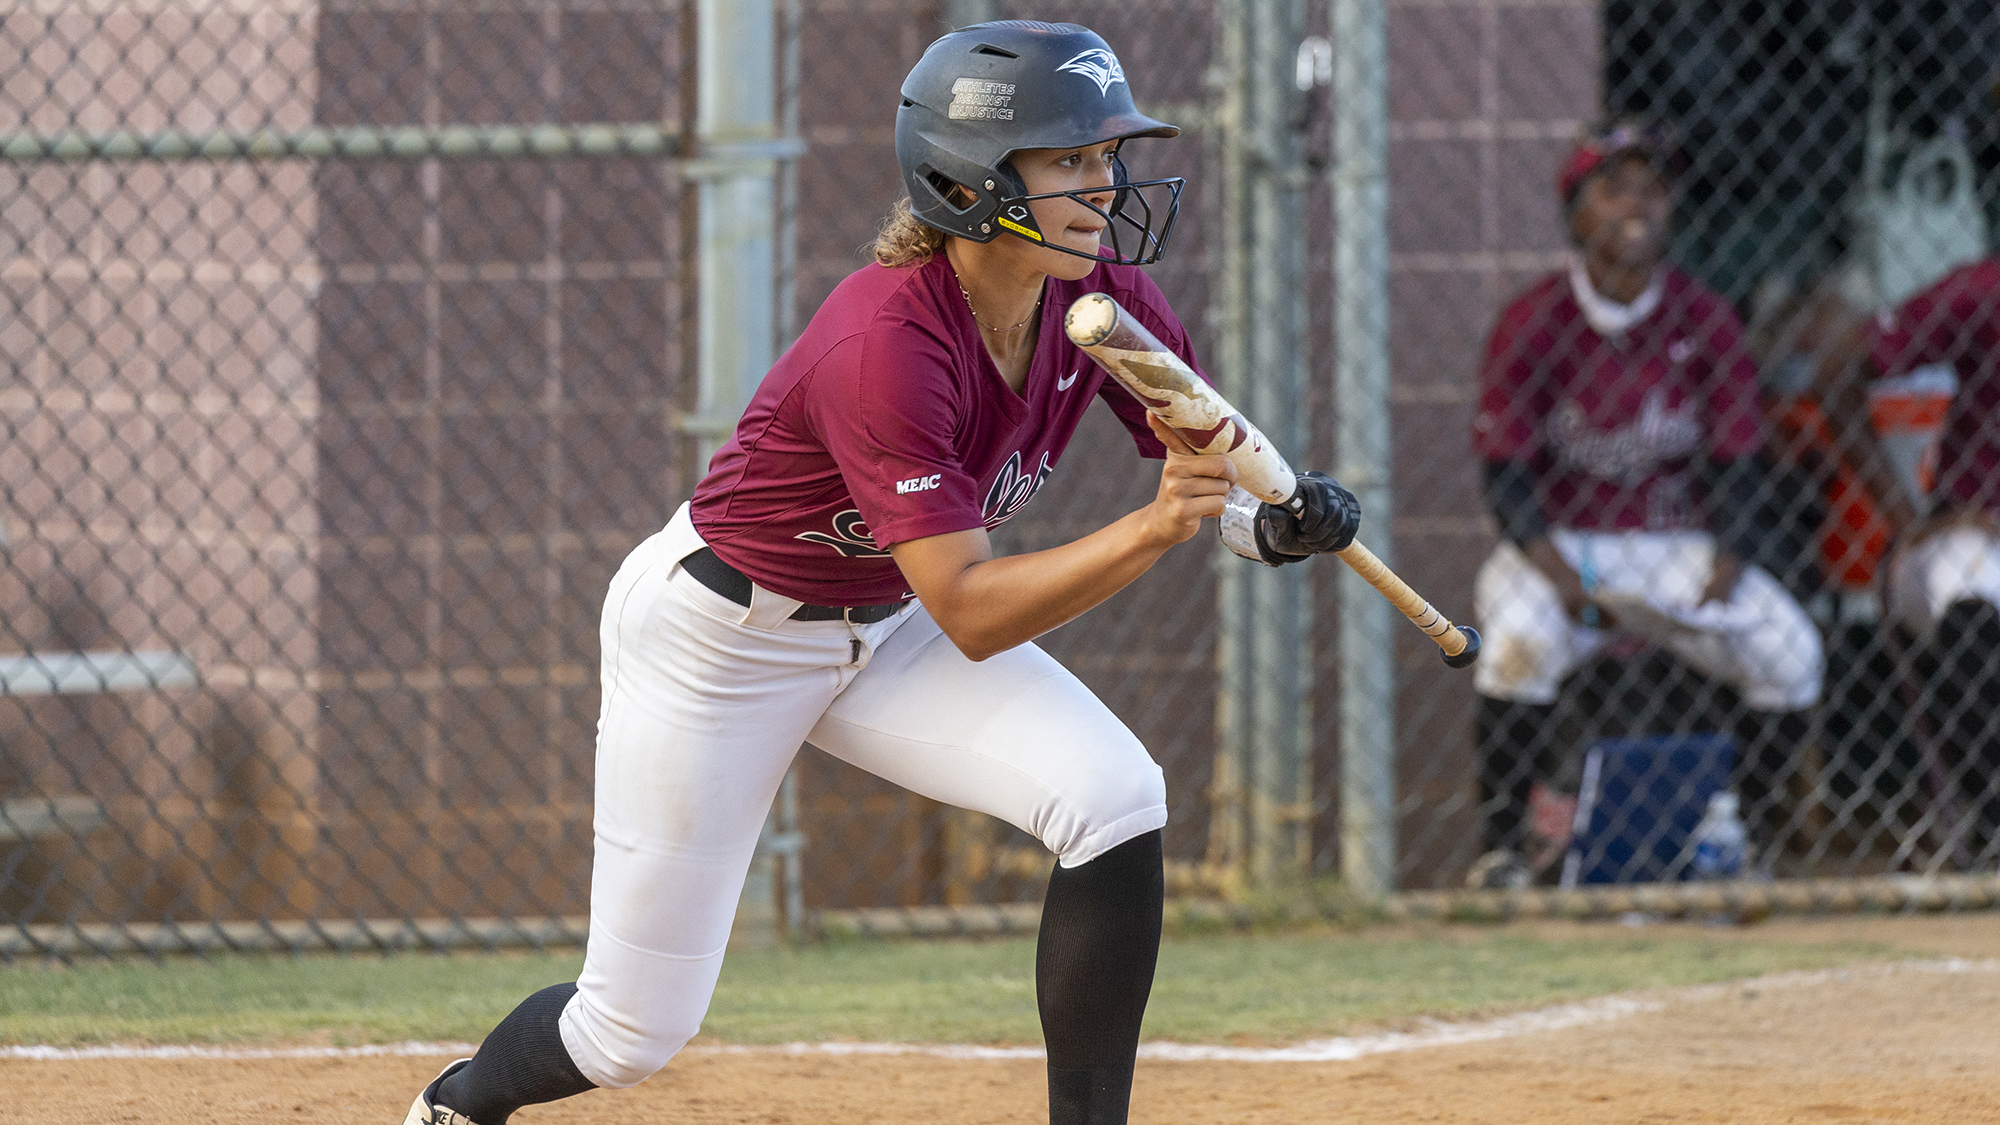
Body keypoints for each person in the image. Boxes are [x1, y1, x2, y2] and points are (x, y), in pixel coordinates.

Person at [400, 21, 1360, 1125]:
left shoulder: (1101, 301)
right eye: (1070, 159)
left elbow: (1201, 474)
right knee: (628, 1031)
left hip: (887, 623)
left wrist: (1272, 522)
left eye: (1106, 156)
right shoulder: (885, 343)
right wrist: (1151, 534)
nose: (1104, 186)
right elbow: (974, 611)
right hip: (723, 639)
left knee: (1113, 796)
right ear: (969, 179)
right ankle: (456, 1107)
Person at [1467, 119, 1823, 885]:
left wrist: (1729, 561)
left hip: (1676, 544)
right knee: (1516, 648)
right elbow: (1505, 475)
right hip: (1564, 544)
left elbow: (1738, 463)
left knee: (1790, 652)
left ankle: (1746, 839)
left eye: (1653, 189)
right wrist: (1559, 575)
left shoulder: (1705, 317)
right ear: (1576, 212)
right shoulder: (1535, 319)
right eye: (1614, 188)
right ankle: (1504, 852)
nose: (1638, 204)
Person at [1821, 257, 2000, 865]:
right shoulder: (1985, 289)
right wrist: (1906, 518)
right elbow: (1837, 368)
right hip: (1975, 531)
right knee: (1964, 588)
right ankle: (1991, 820)